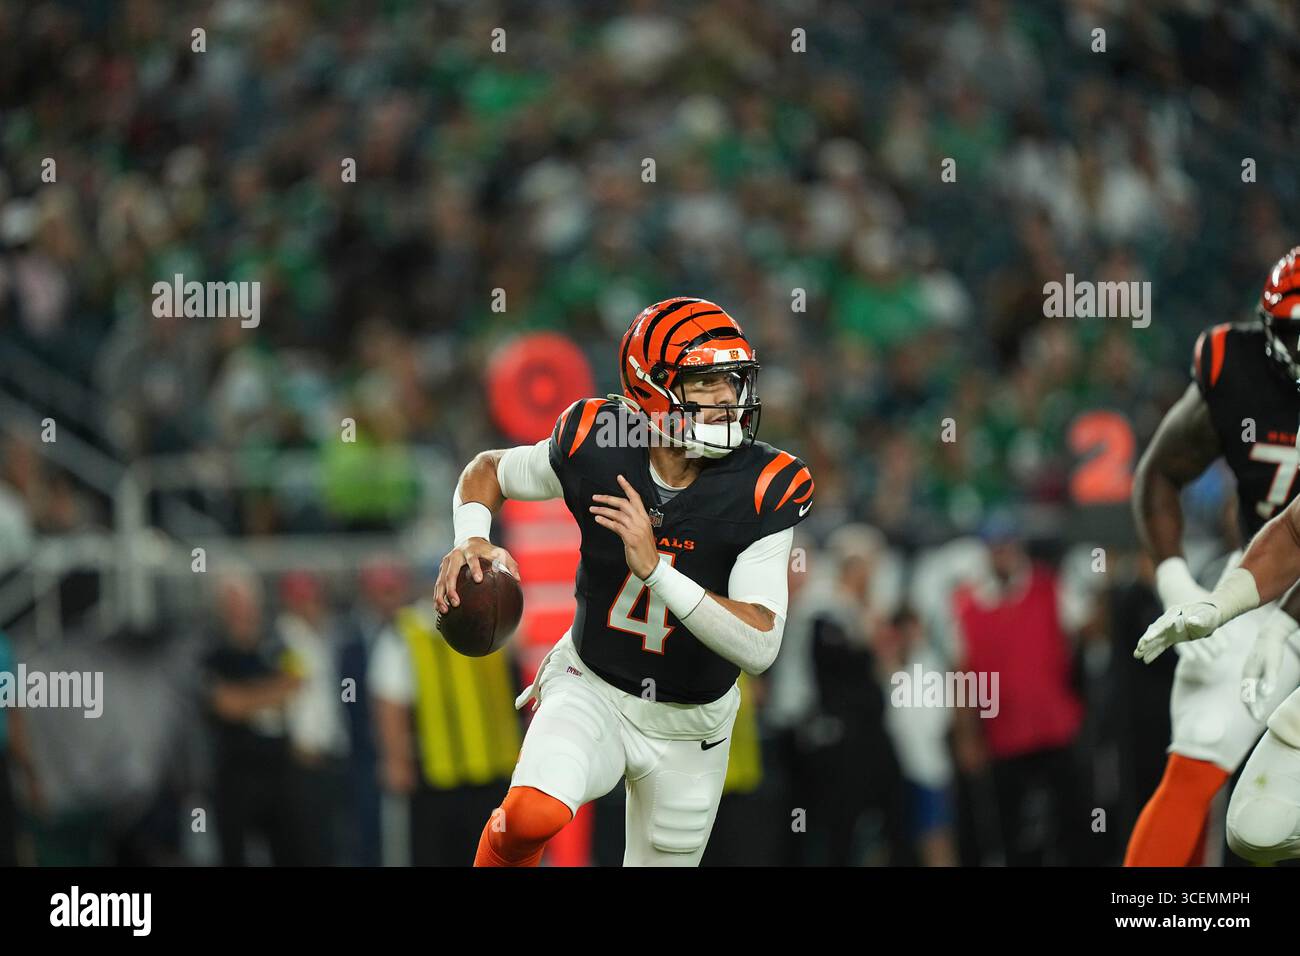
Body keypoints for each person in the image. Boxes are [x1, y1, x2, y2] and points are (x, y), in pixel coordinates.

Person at [435, 297, 814, 867]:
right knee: (526, 819)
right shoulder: (597, 440)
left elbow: (760, 645)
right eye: (703, 383)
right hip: (592, 686)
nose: (725, 402)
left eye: (731, 383)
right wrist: (471, 536)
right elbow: (488, 470)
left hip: (692, 727)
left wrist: (657, 568)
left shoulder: (764, 485)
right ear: (650, 389)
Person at [1124, 247, 1300, 866]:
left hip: (1280, 592)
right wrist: (1180, 585)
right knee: (1200, 756)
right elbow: (1161, 473)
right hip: (1263, 576)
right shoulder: (1240, 366)